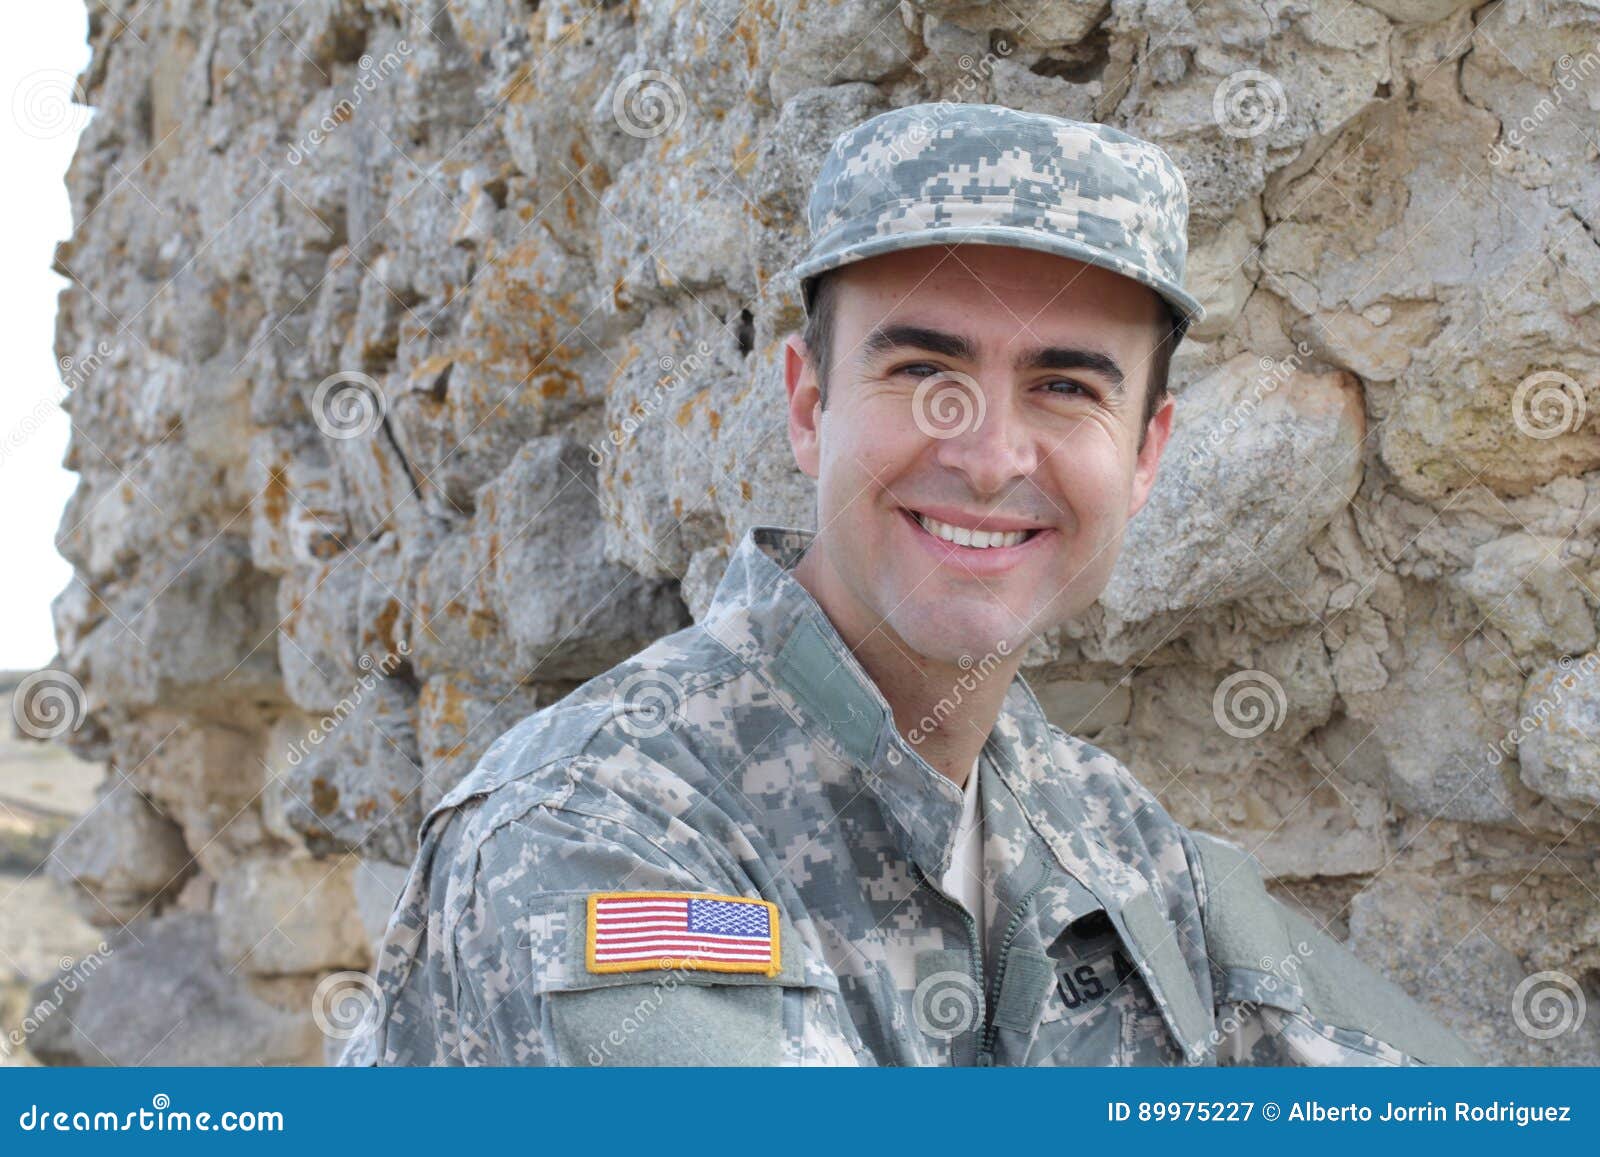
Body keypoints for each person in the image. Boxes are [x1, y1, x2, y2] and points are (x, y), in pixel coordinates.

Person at [339, 103, 1476, 1067]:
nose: (988, 455)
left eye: (1066, 386)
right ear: (805, 403)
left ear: (1144, 453)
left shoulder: (1115, 842)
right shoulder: (595, 831)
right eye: (924, 369)